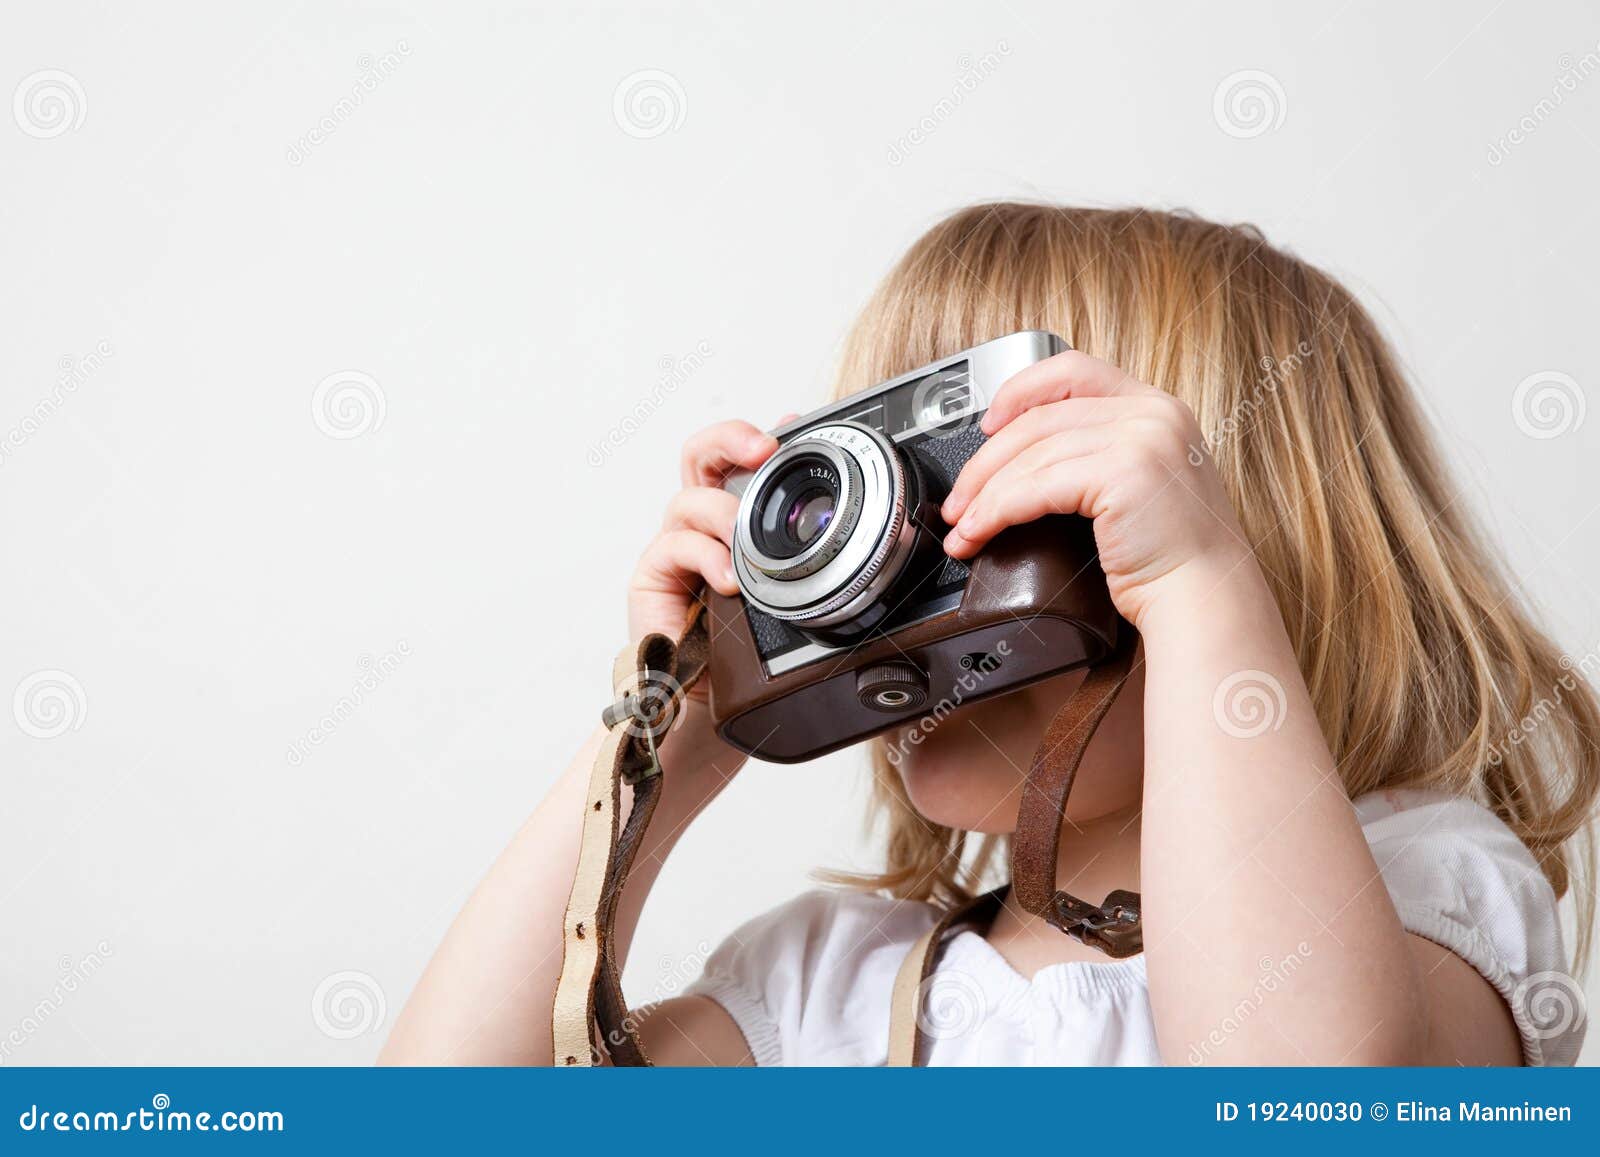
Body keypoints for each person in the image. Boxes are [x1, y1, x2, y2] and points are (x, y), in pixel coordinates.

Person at [382, 203, 1597, 1066]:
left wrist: (1195, 588)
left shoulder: (1419, 893)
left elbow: (1298, 1094)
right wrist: (677, 720)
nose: (901, 567)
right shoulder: (823, 985)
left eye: (975, 486)